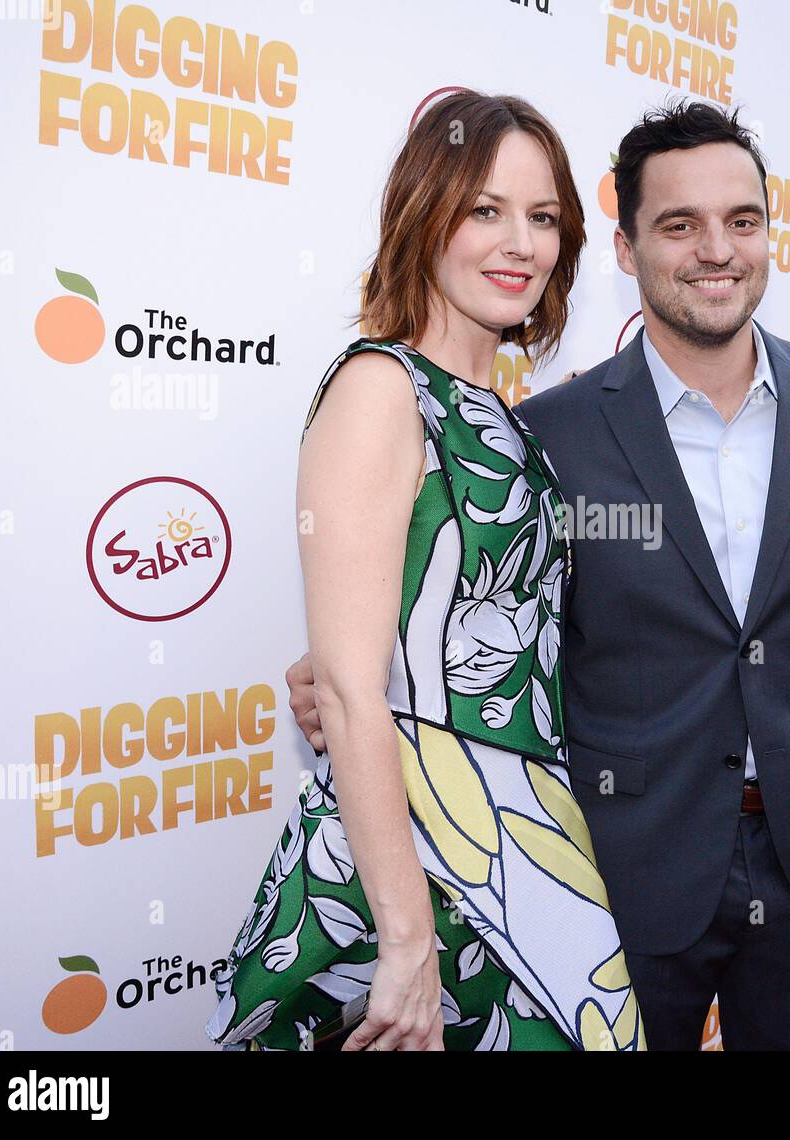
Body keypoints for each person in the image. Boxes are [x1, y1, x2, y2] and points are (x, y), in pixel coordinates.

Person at [286, 97, 790, 1050]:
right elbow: (455, 605)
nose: (716, 250)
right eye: (679, 224)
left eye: (742, 221)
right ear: (625, 250)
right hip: (612, 878)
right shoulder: (551, 435)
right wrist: (347, 681)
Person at [204, 90, 644, 1052]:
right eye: (485, 209)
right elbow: (356, 691)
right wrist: (406, 944)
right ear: (424, 212)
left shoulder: (506, 423)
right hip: (410, 862)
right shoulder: (381, 389)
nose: (518, 242)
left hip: (522, 836)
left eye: (543, 217)